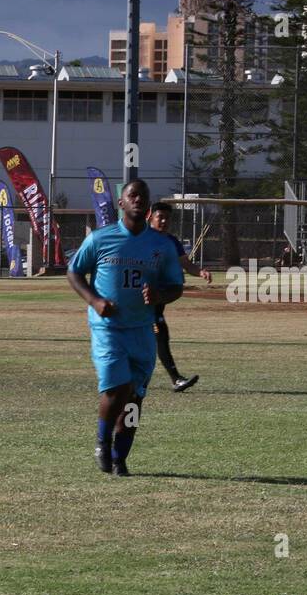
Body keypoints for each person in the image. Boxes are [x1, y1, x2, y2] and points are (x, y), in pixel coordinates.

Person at [66, 179, 184, 477]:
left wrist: (161, 295)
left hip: (142, 329)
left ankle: (120, 457)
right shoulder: (100, 239)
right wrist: (94, 301)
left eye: (143, 196)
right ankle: (102, 442)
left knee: (135, 396)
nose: (138, 199)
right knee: (117, 387)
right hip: (108, 328)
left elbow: (175, 286)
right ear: (121, 203)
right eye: (132, 195)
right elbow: (74, 272)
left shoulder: (161, 244)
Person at [147, 201, 211, 392]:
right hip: (141, 299)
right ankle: (175, 378)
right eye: (160, 217)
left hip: (158, 298)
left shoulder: (172, 241)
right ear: (150, 216)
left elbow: (187, 264)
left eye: (168, 218)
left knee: (155, 336)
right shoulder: (142, 238)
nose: (164, 221)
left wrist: (200, 272)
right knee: (159, 334)